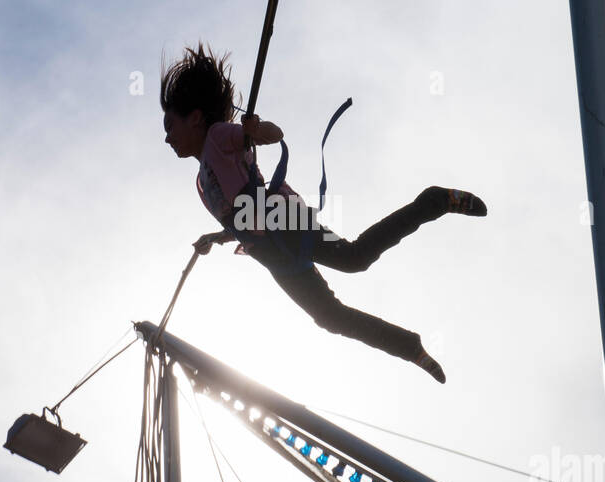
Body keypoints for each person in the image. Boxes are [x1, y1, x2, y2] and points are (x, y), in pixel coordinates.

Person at [160, 41, 487, 383]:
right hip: (269, 251)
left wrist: (254, 131)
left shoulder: (217, 137)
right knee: (328, 317)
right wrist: (217, 237)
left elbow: (274, 134)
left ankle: (434, 201)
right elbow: (240, 217)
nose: (167, 138)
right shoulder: (201, 181)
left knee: (354, 259)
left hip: (283, 223)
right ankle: (410, 347)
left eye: (170, 127)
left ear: (195, 118)